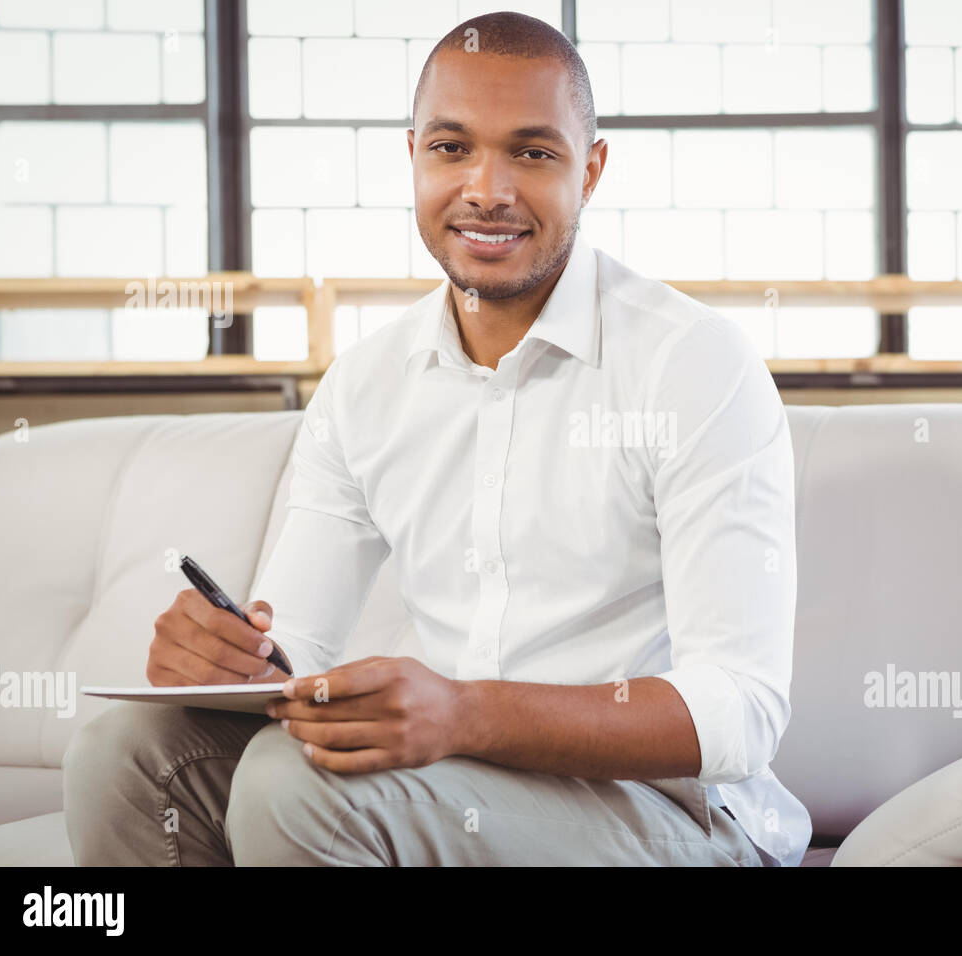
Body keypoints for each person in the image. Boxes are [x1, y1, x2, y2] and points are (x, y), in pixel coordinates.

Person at [63, 10, 810, 867]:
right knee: (122, 753)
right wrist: (230, 662)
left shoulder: (693, 363)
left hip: (674, 813)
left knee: (295, 788)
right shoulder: (367, 385)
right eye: (452, 148)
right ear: (413, 155)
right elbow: (295, 642)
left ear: (591, 170)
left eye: (532, 152)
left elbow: (738, 710)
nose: (487, 189)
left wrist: (466, 710)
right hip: (461, 782)